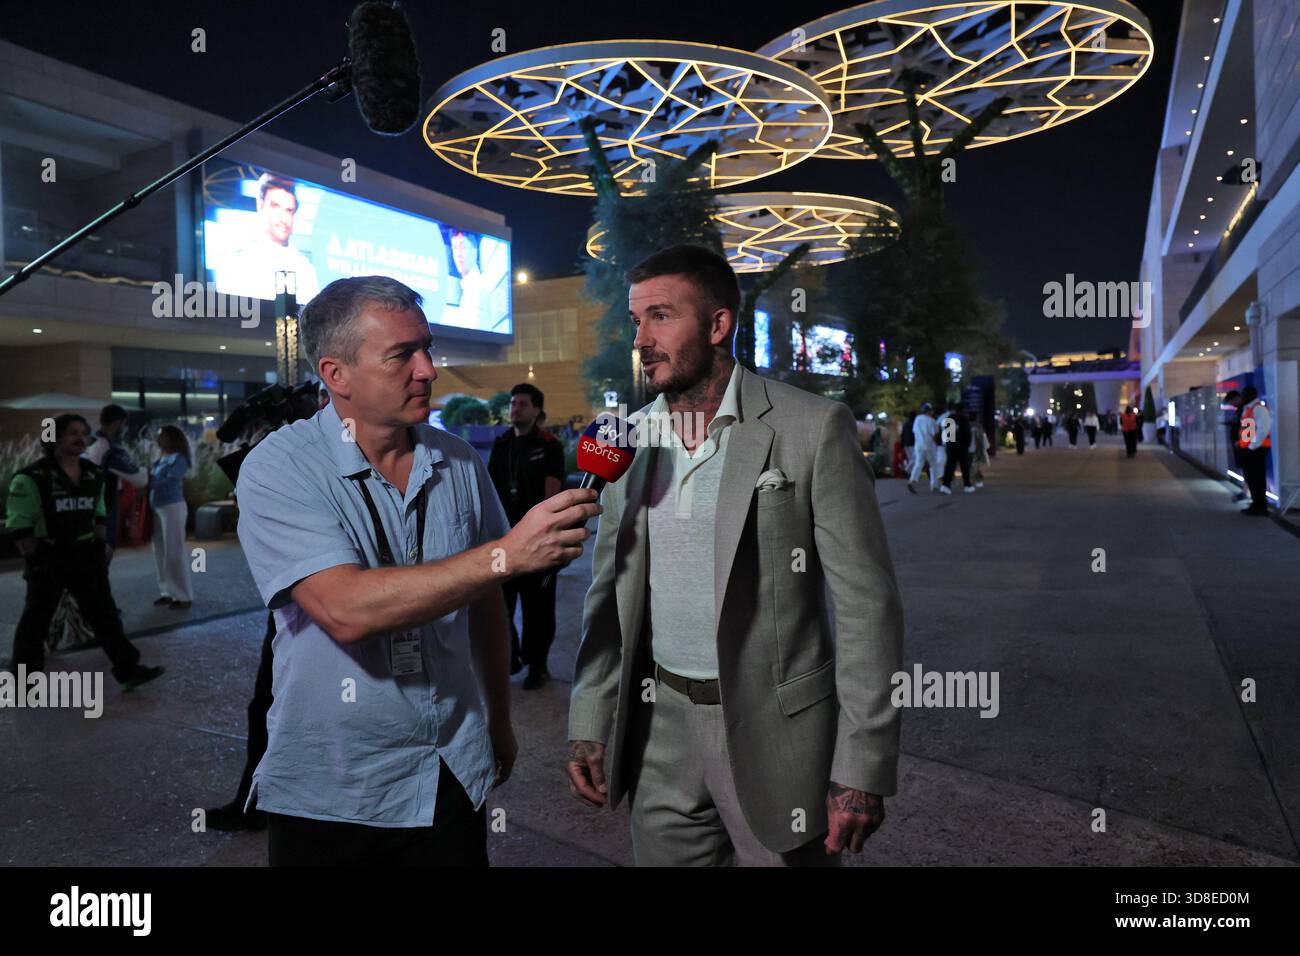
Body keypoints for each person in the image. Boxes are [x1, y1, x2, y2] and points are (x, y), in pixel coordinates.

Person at [233, 275, 600, 866]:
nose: (428, 369)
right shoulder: (278, 467)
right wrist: (507, 551)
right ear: (336, 374)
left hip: (450, 765)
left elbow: (484, 604)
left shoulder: (456, 460)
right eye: (402, 354)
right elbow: (346, 610)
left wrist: (498, 721)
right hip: (337, 788)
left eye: (427, 348)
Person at [565, 244, 903, 866]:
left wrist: (862, 764)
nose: (641, 339)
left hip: (777, 735)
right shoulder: (625, 440)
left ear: (719, 325)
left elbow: (866, 605)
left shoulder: (811, 427)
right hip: (657, 730)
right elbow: (608, 595)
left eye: (661, 317)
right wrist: (590, 716)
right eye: (636, 320)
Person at [4, 414, 164, 689]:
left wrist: (102, 544)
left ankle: (128, 669)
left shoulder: (93, 474)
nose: (80, 438)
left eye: (83, 433)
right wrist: (35, 555)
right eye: (72, 433)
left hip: (86, 555)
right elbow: (19, 523)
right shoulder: (32, 477)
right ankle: (22, 681)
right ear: (54, 438)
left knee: (105, 615)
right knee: (36, 619)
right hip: (49, 557)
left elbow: (99, 513)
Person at [487, 383, 566, 689]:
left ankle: (537, 665)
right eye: (513, 403)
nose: (515, 408)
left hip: (539, 542)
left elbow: (552, 492)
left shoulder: (549, 445)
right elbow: (490, 489)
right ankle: (511, 656)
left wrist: (552, 535)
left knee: (538, 609)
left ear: (536, 409)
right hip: (504, 541)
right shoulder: (502, 443)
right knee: (500, 605)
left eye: (522, 404)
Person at [220, 173, 320, 304]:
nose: (283, 219)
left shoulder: (305, 269)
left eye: (289, 210)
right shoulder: (239, 263)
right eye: (276, 207)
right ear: (260, 206)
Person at [83, 404, 147, 550]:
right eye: (124, 424)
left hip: (87, 501)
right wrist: (144, 469)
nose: (124, 429)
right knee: (106, 546)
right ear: (118, 423)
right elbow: (139, 478)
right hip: (106, 502)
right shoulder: (112, 449)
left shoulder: (88, 442)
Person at [149, 425, 193, 610]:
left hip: (172, 506)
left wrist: (147, 480)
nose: (158, 439)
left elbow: (170, 480)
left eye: (162, 436)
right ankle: (166, 591)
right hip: (157, 507)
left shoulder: (178, 459)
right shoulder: (160, 459)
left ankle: (183, 595)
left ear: (172, 439)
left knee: (174, 551)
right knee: (159, 551)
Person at [1238, 385, 1272, 517]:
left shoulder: (1258, 409)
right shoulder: (1248, 409)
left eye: (1244, 394)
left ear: (1250, 395)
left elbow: (1263, 430)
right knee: (1251, 478)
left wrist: (1252, 446)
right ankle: (1256, 504)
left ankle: (1260, 506)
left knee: (1257, 478)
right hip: (1250, 448)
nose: (1242, 397)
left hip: (1257, 448)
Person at [940, 402, 974, 495]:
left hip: (951, 445)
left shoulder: (949, 418)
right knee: (964, 466)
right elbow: (968, 434)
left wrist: (948, 444)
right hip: (962, 446)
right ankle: (967, 485)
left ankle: (945, 485)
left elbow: (947, 434)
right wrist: (967, 445)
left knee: (950, 465)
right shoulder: (964, 419)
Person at [907, 403, 940, 493]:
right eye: (931, 410)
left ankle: (912, 480)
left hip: (919, 445)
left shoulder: (917, 419)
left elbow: (915, 432)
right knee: (933, 465)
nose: (933, 412)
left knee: (918, 464)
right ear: (929, 411)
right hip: (929, 445)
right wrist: (936, 444)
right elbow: (935, 435)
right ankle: (934, 485)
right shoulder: (932, 421)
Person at [1223, 390, 1248, 502]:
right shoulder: (1241, 410)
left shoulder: (1246, 409)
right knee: (1245, 469)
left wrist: (1241, 442)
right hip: (1241, 444)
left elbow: (1246, 428)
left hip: (1244, 445)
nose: (1232, 405)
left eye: (1232, 402)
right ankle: (1246, 491)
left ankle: (1247, 492)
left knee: (1248, 469)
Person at [969, 413, 989, 489]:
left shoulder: (966, 425)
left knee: (970, 465)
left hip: (968, 448)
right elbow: (982, 437)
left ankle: (973, 479)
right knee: (976, 465)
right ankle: (977, 480)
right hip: (977, 448)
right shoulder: (979, 426)